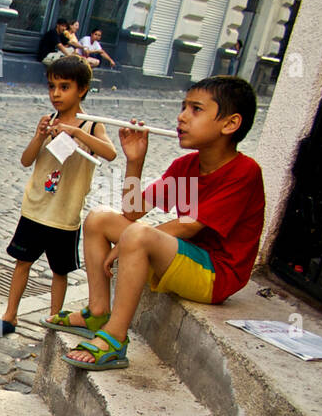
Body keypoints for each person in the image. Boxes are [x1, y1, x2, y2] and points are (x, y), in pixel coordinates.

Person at [45, 76, 265, 370]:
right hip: (184, 255)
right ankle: (98, 310)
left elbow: (189, 226)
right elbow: (133, 211)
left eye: (196, 110)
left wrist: (126, 242)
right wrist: (135, 161)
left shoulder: (244, 171)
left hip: (216, 274)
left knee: (137, 235)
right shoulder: (186, 166)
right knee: (98, 219)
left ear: (230, 124)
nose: (181, 116)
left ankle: (115, 337)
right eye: (183, 107)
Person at [0, 55, 115, 338]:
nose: (56, 94)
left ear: (81, 89)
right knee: (22, 262)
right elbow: (26, 160)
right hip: (35, 208)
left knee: (60, 270)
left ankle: (54, 319)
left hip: (65, 214)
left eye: (64, 86)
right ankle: (11, 315)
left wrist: (73, 132)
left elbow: (110, 153)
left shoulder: (92, 125)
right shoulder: (48, 120)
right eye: (52, 86)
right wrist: (38, 135)